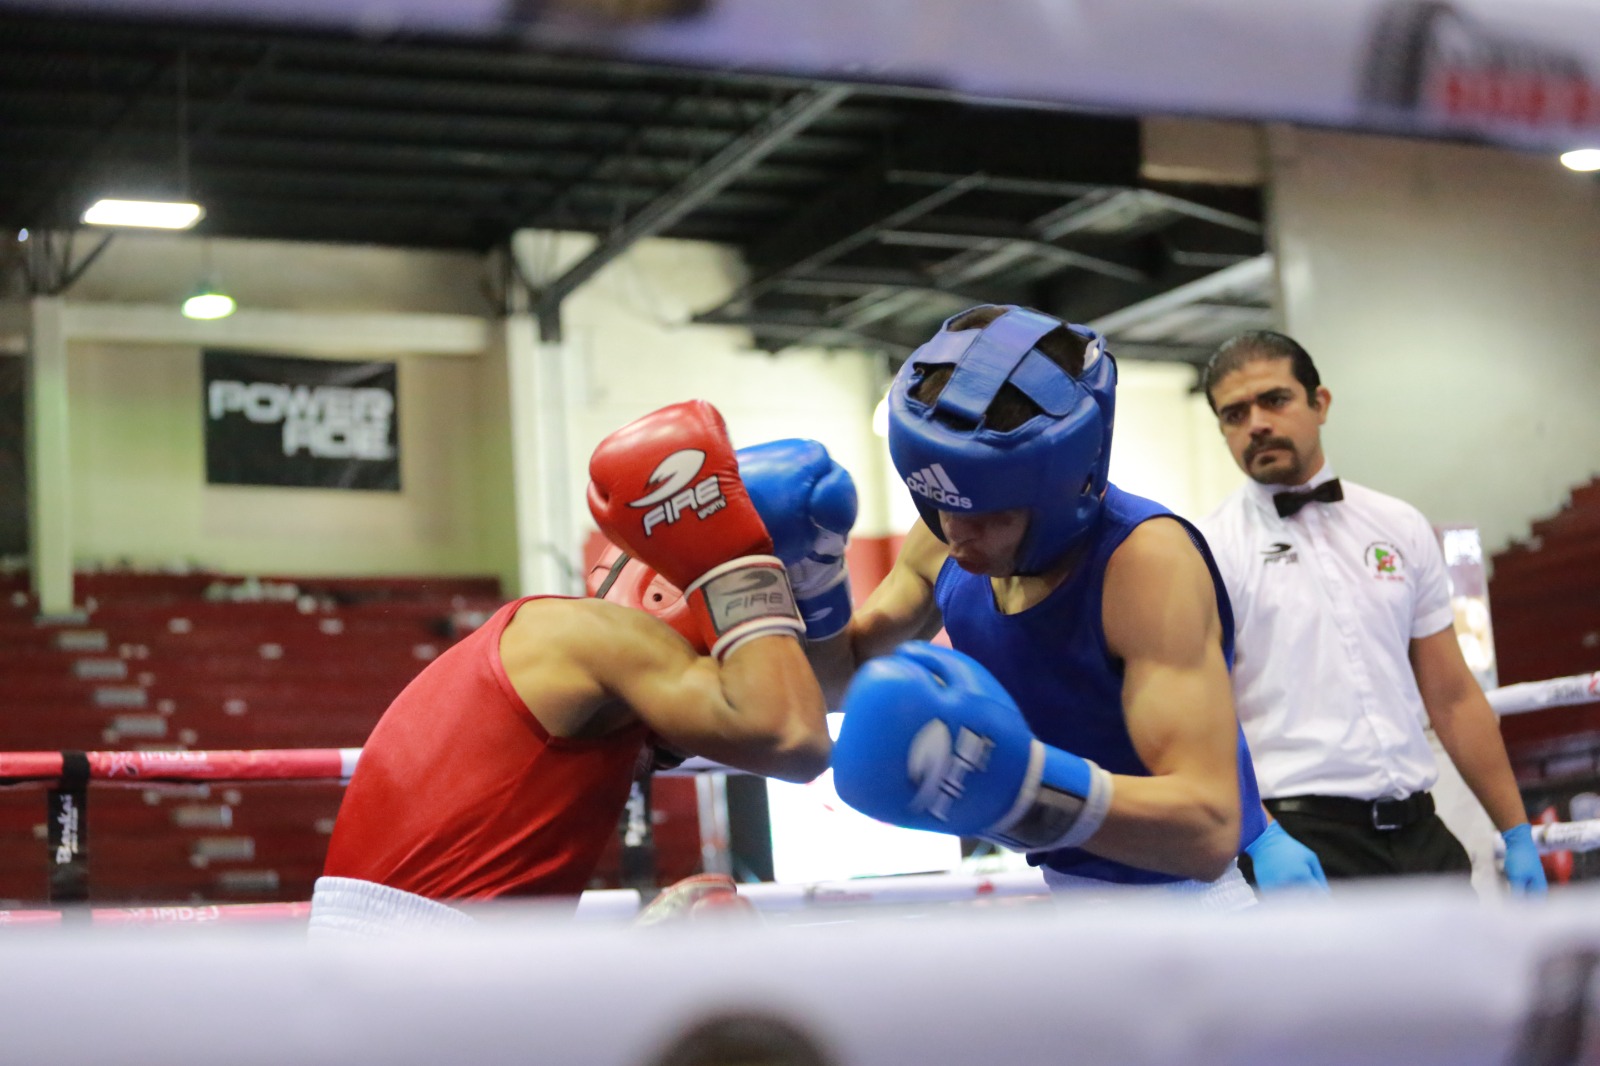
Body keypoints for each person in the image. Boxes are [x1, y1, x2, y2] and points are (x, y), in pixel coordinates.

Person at [739, 304, 1317, 906]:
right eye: (939, 504)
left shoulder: (1145, 563)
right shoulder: (946, 528)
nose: (957, 535)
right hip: (1073, 889)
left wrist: (1023, 791)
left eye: (990, 516)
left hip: (1198, 893)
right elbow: (837, 684)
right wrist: (810, 583)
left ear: (1063, 488)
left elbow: (1207, 831)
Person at [309, 400, 831, 936]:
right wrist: (732, 562)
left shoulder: (578, 656)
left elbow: (822, 691)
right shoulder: (589, 640)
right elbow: (794, 737)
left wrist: (916, 569)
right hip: (416, 952)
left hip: (427, 947)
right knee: (712, 930)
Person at [1195, 330, 1545, 894]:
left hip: (1422, 831)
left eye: (1274, 400)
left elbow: (1453, 696)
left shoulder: (1398, 524)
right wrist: (1259, 836)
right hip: (1297, 837)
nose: (1256, 422)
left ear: (1320, 403)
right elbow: (1202, 717)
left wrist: (1516, 828)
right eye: (1234, 414)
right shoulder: (1206, 550)